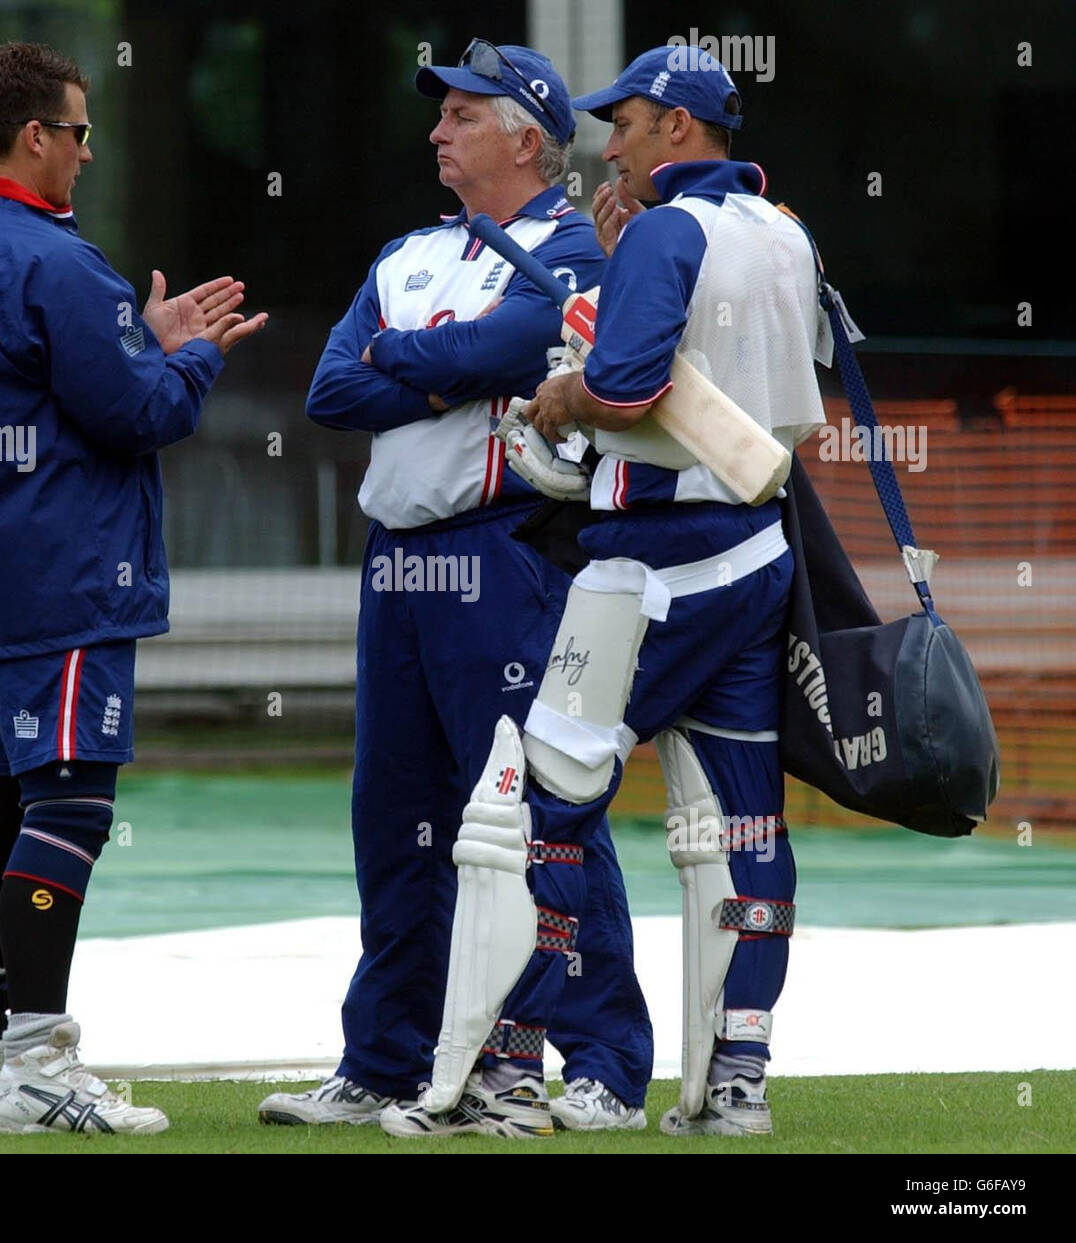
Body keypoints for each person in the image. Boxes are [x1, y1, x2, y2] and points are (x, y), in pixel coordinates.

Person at [383, 45, 830, 1139]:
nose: (609, 142)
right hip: (756, 553)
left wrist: (555, 398)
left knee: (537, 806)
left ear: (677, 128)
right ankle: (737, 1081)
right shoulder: (782, 229)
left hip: (649, 563)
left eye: (624, 122)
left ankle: (507, 1078)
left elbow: (627, 390)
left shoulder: (670, 230)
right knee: (744, 819)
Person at [258, 40, 651, 1137]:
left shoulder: (572, 249)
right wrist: (450, 361)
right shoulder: (409, 248)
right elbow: (334, 387)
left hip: (506, 550)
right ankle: (385, 1057)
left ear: (528, 135)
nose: (438, 130)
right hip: (399, 558)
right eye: (441, 117)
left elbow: (532, 336)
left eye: (463, 116)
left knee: (540, 809)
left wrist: (410, 358)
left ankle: (598, 1060)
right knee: (397, 816)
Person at [0, 42, 266, 1135]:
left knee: (1, 804)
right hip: (63, 576)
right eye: (78, 130)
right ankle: (41, 1064)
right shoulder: (57, 262)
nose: (88, 150)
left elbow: (60, 383)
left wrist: (135, 343)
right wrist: (188, 357)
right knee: (68, 808)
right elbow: (140, 414)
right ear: (34, 139)